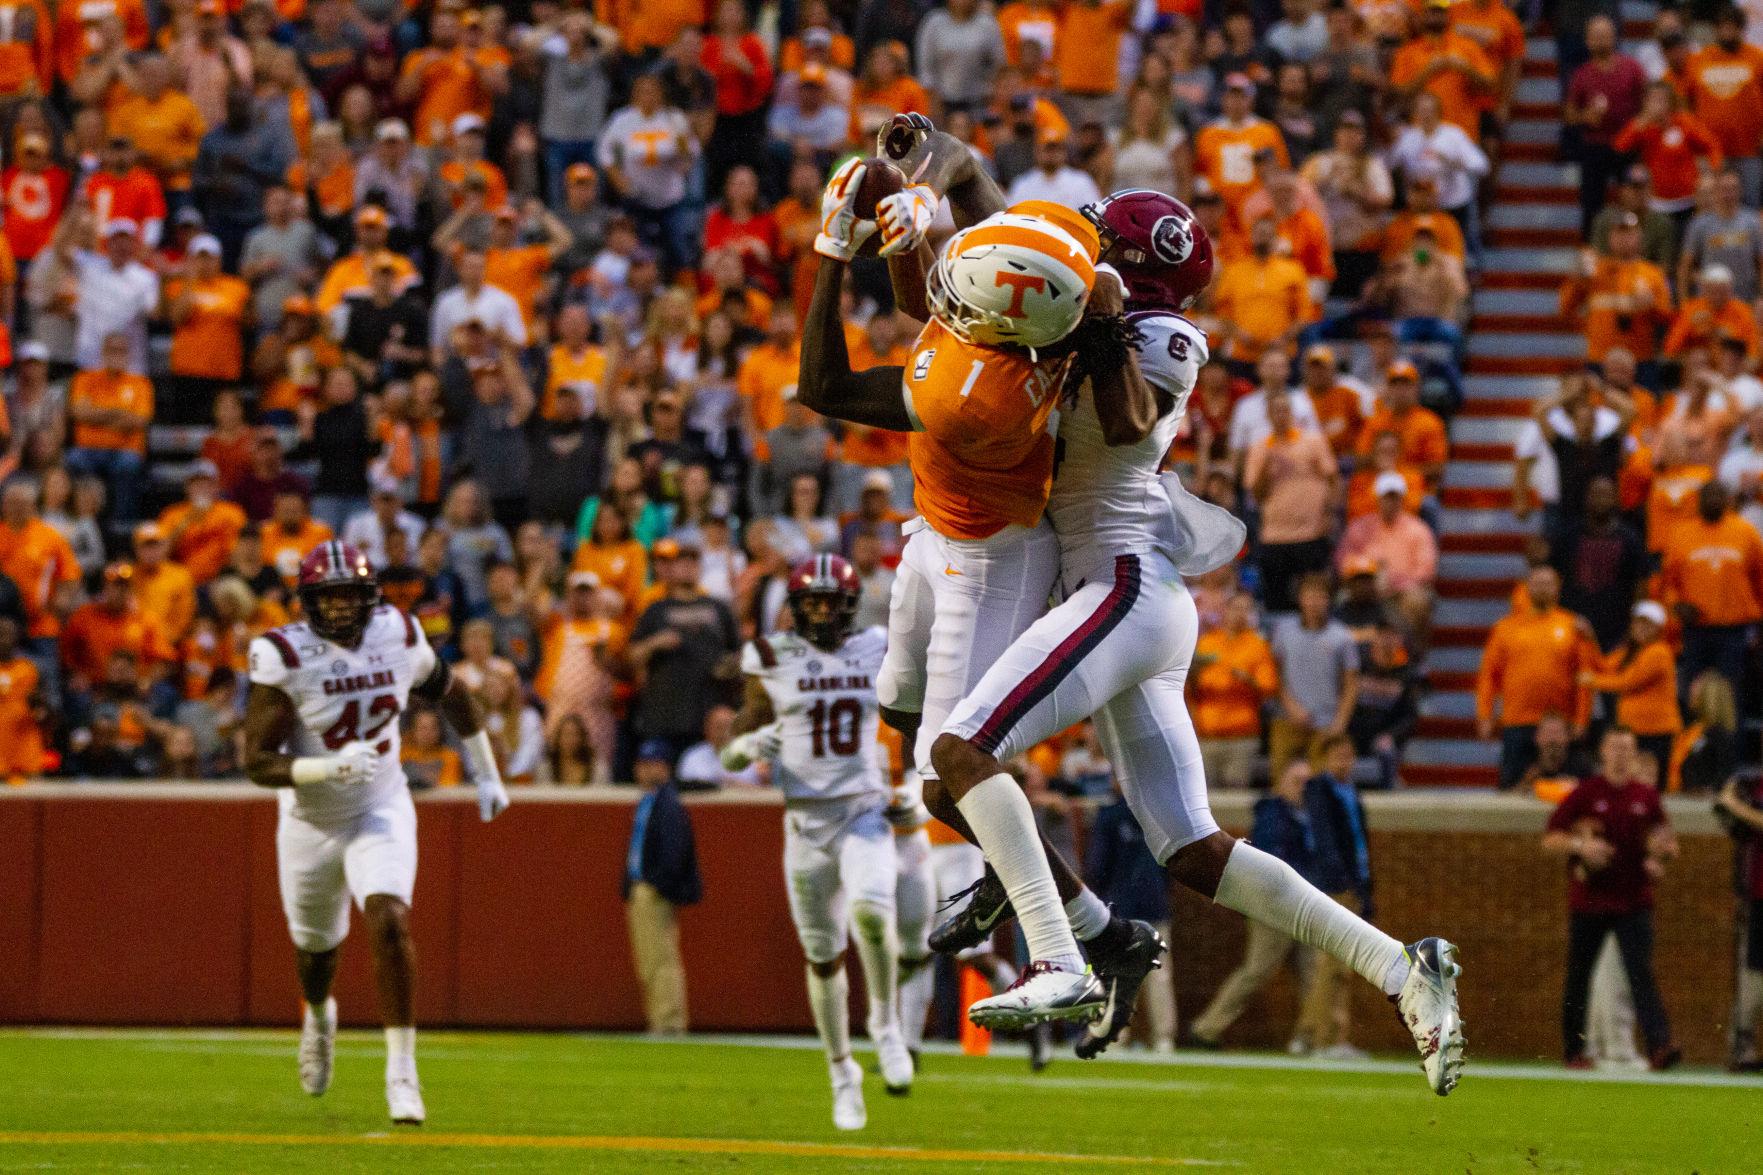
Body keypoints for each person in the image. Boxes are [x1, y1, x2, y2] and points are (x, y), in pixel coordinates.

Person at [920, 183, 1462, 1089]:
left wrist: (1097, 322)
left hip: (1122, 584)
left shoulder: (1160, 336)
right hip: (1124, 592)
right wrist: (959, 174)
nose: (1079, 247)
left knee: (958, 754)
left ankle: (1058, 953)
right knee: (1190, 848)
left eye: (1099, 241)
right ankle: (1402, 967)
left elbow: (1126, 418)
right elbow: (1022, 248)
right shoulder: (1087, 306)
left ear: (1127, 265)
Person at [792, 139, 1122, 1027]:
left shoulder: (976, 395)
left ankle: (1077, 934)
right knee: (897, 709)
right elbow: (965, 164)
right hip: (935, 533)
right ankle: (1017, 873)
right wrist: (920, 188)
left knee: (946, 774)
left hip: (991, 557)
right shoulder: (1058, 269)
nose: (949, 286)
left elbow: (822, 385)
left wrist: (834, 250)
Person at [241, 541, 510, 1126]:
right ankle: (319, 1015)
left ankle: (402, 1072)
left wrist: (486, 772)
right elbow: (256, 761)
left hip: (380, 805)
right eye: (329, 596)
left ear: (369, 597)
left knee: (389, 919)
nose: (340, 607)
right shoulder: (283, 653)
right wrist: (327, 769)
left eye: (349, 595)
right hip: (310, 819)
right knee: (316, 954)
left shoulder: (398, 632)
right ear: (307, 601)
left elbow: (452, 693)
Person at [720, 556, 914, 1127]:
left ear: (850, 605)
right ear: (797, 607)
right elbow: (745, 724)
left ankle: (886, 1026)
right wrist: (740, 750)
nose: (823, 611)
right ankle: (840, 1072)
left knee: (872, 915)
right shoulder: (772, 655)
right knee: (823, 955)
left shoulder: (877, 646)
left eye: (832, 602)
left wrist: (914, 778)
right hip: (804, 822)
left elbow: (917, 714)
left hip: (863, 809)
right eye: (813, 602)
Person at [1541, 726, 1681, 1071]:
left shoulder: (1645, 797)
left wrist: (1660, 857)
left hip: (1634, 900)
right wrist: (1581, 846)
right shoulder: (1586, 794)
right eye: (1615, 748)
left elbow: (1667, 843)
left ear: (1634, 754)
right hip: (1590, 900)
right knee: (1579, 975)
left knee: (1640, 973)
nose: (1620, 755)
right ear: (1603, 752)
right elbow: (1550, 840)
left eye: (1627, 749)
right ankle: (1575, 1049)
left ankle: (1660, 1046)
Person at [1186, 759, 1317, 1049]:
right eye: (1297, 781)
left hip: (1305, 906)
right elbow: (1270, 863)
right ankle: (1205, 1029)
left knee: (1313, 973)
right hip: (1273, 907)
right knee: (1257, 971)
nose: (1303, 789)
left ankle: (1310, 1037)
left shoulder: (1309, 817)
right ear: (1281, 784)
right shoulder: (1273, 815)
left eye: (1307, 783)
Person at [1476, 566, 1594, 789]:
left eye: (1548, 583)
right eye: (1538, 583)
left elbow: (1584, 678)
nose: (1543, 588)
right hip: (1517, 720)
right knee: (1512, 786)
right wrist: (1485, 714)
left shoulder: (1572, 625)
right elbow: (1489, 675)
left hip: (1560, 724)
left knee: (1567, 786)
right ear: (1527, 587)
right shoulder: (1505, 628)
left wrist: (1581, 719)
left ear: (1558, 588)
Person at [1084, 776, 1176, 1053]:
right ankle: (1163, 1037)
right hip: (1149, 904)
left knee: (1119, 974)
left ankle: (1115, 1034)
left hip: (1121, 907)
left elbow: (1097, 867)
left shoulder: (1111, 816)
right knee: (1158, 975)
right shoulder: (1159, 816)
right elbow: (1169, 865)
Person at [623, 739, 701, 1036]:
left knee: (660, 959)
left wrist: (657, 884)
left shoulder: (668, 805)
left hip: (652, 891)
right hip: (642, 888)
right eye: (641, 765)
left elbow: (674, 851)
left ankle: (668, 1022)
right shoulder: (651, 802)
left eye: (651, 764)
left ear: (665, 767)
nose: (644, 771)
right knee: (649, 960)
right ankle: (659, 1018)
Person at [1658, 480, 1763, 698]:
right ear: (1698, 501)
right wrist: (1677, 605)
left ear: (1727, 500)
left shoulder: (1746, 532)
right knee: (1695, 693)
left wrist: (1758, 623)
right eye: (1708, 495)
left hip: (1734, 629)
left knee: (1730, 693)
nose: (1713, 500)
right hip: (1695, 627)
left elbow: (1759, 580)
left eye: (1718, 495)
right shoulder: (1681, 533)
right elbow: (1668, 583)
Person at [1270, 573, 1360, 778]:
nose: (1314, 602)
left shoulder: (1342, 636)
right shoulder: (1283, 631)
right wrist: (1291, 706)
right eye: (1309, 596)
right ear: (1300, 598)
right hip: (1287, 720)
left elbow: (1351, 684)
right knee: (1282, 784)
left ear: (1329, 600)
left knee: (1323, 785)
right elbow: (1275, 674)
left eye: (1320, 596)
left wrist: (1340, 722)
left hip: (1326, 723)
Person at [1582, 602, 1681, 768]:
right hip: (1634, 730)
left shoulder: (1659, 652)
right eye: (1638, 622)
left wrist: (1592, 681)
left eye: (1648, 624)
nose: (1642, 628)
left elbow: (1629, 682)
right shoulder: (1629, 652)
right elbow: (1602, 667)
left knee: (1652, 778)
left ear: (1658, 628)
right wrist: (1589, 639)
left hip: (1657, 731)